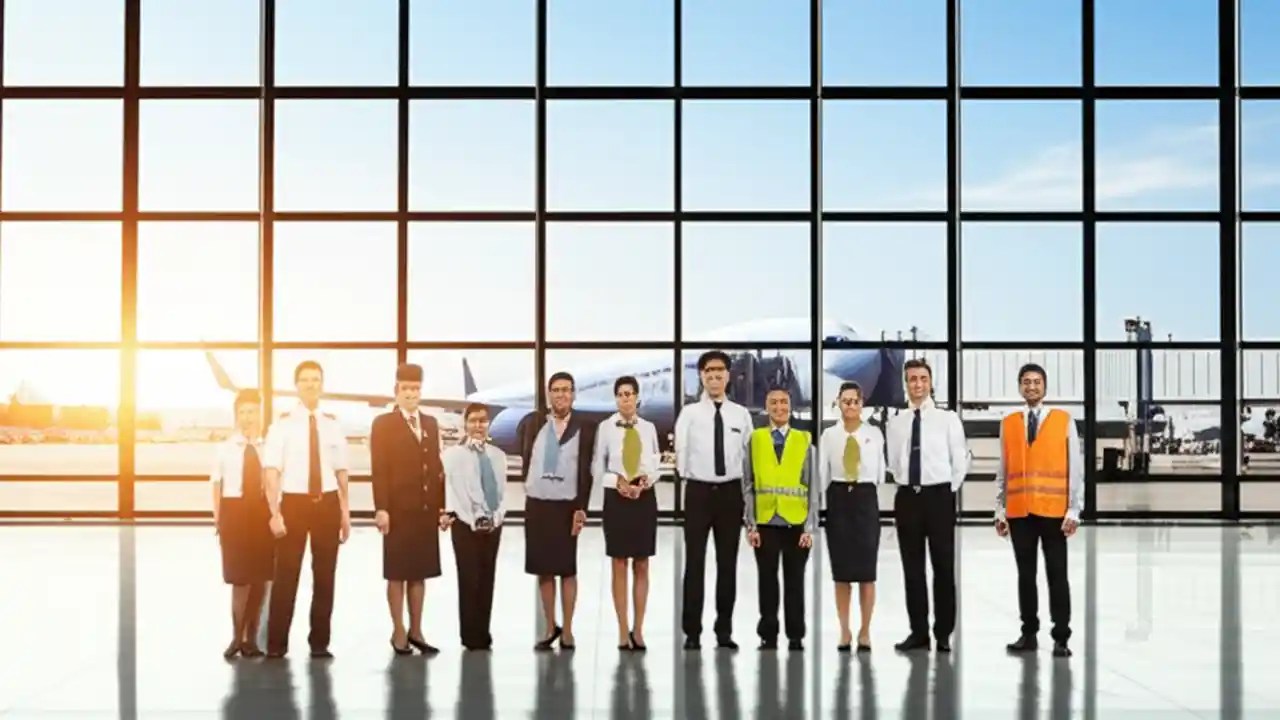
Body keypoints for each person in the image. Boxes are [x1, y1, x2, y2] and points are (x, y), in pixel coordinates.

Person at [262, 360, 352, 659]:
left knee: (325, 577)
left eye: (316, 379)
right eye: (305, 380)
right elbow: (271, 472)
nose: (311, 384)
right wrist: (274, 513)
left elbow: (341, 473)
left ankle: (320, 643)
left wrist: (344, 512)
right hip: (294, 503)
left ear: (322, 384)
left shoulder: (332, 424)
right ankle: (276, 645)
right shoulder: (282, 424)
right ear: (296, 385)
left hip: (326, 503)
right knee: (287, 576)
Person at [995, 363, 1083, 658]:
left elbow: (1075, 468)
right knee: (1025, 575)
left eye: (1036, 381)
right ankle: (1028, 632)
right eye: (1026, 382)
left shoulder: (1063, 420)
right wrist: (1000, 509)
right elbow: (1003, 470)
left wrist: (1074, 509)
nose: (1031, 386)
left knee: (1057, 574)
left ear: (1044, 386)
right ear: (1020, 387)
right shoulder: (1008, 423)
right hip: (1020, 512)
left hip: (1054, 512)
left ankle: (1061, 636)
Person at [885, 358, 969, 653]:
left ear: (930, 382)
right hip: (908, 497)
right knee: (912, 569)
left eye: (922, 378)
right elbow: (894, 462)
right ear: (905, 384)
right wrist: (910, 485)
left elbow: (960, 460)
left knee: (943, 567)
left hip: (939, 497)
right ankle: (918, 632)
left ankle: (943, 632)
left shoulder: (948, 419)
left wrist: (947, 490)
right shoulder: (895, 423)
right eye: (911, 379)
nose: (917, 384)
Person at [675, 350, 754, 651]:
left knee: (727, 564)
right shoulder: (690, 414)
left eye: (720, 371)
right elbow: (681, 454)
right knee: (694, 563)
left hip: (730, 495)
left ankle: (724, 630)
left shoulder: (740, 415)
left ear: (728, 375)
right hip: (698, 493)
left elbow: (746, 458)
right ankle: (692, 632)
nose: (714, 376)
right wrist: (690, 479)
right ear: (701, 376)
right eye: (708, 371)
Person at [517, 371, 596, 651]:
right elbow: (525, 455)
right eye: (556, 390)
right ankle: (550, 626)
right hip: (538, 506)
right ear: (549, 394)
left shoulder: (585, 427)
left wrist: (581, 508)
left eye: (566, 390)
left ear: (573, 394)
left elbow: (588, 470)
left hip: (566, 506)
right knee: (544, 570)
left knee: (567, 569)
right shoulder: (533, 423)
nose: (561, 395)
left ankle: (569, 630)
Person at [371, 363, 445, 656]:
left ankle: (417, 629)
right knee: (397, 573)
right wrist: (381, 508)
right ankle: (398, 629)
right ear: (396, 391)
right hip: (397, 511)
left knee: (420, 572)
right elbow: (379, 469)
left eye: (416, 388)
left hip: (424, 509)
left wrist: (440, 507)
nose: (411, 394)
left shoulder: (430, 423)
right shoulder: (383, 424)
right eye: (406, 389)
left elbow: (436, 467)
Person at [743, 386, 818, 651]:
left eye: (783, 403)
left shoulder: (804, 440)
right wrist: (750, 524)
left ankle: (795, 635)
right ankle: (768, 633)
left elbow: (813, 487)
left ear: (790, 406)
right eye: (773, 403)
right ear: (767, 407)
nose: (779, 408)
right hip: (765, 522)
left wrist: (810, 527)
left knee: (795, 581)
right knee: (767, 580)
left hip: (796, 522)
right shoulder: (756, 439)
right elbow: (749, 484)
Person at [591, 375, 661, 652]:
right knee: (619, 562)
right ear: (615, 398)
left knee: (642, 563)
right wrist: (616, 482)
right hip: (616, 498)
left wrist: (646, 481)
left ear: (637, 397)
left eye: (630, 393)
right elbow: (598, 466)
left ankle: (638, 629)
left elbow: (655, 463)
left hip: (644, 498)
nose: (626, 398)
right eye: (621, 394)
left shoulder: (650, 428)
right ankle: (622, 629)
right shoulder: (605, 427)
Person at [819, 381, 885, 653]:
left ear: (862, 404)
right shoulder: (829, 436)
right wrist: (822, 508)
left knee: (867, 572)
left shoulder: (874, 434)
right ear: (838, 403)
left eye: (855, 401)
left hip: (865, 498)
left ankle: (865, 630)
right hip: (838, 499)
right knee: (842, 573)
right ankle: (845, 630)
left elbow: (880, 472)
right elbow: (822, 473)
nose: (850, 406)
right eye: (845, 401)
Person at [211, 388, 273, 659]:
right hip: (234, 512)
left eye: (252, 412)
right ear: (236, 416)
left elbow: (274, 482)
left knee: (260, 577)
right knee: (239, 579)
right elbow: (217, 484)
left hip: (262, 513)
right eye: (242, 413)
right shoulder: (224, 448)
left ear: (260, 414)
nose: (247, 418)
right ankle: (236, 637)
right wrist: (218, 520)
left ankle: (251, 638)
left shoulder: (269, 447)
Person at [441, 402, 508, 651]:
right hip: (465, 524)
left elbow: (501, 491)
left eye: (483, 420)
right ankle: (469, 635)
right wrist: (471, 520)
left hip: (493, 524)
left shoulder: (497, 456)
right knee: (469, 579)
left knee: (487, 577)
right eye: (473, 421)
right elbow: (453, 492)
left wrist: (496, 518)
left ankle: (484, 630)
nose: (478, 425)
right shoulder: (452, 456)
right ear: (465, 424)